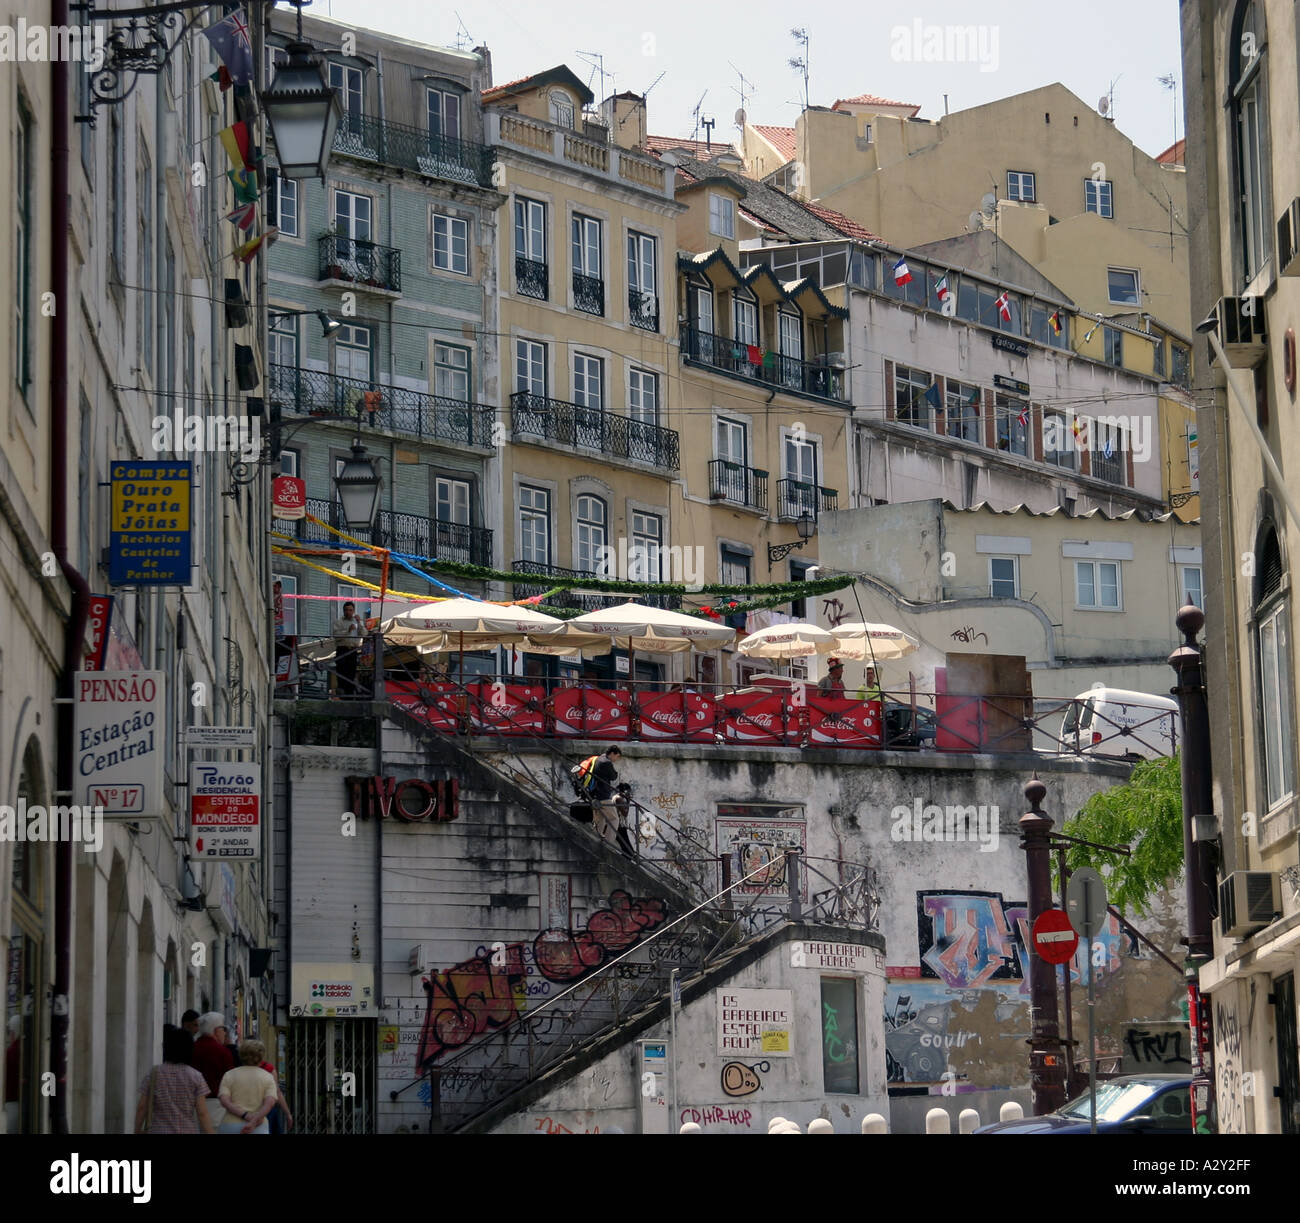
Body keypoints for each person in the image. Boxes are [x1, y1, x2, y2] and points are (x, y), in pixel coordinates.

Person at [134, 1024, 213, 1135]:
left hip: (158, 1130)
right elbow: (202, 1113)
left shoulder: (154, 1074)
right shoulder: (196, 1076)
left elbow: (142, 1107)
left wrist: (137, 1129)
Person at [216, 1039, 279, 1134]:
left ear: (241, 1054)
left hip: (230, 1124)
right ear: (261, 1056)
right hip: (258, 1126)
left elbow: (224, 1101)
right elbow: (269, 1103)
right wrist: (254, 1120)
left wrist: (245, 1115)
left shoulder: (229, 1075)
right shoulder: (268, 1077)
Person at [192, 1012, 237, 1130]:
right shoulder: (222, 1052)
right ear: (216, 1030)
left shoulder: (192, 1049)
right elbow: (230, 1082)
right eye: (223, 1029)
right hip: (216, 1108)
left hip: (191, 1107)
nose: (224, 1033)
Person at [589, 746, 622, 846]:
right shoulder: (606, 762)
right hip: (603, 796)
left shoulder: (598, 759)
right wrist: (614, 771)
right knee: (615, 819)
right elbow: (613, 776)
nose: (616, 759)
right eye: (617, 756)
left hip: (594, 795)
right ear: (612, 753)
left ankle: (595, 840)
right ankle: (608, 844)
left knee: (600, 819)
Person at [332, 601, 364, 699]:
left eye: (350, 610)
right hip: (342, 649)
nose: (348, 612)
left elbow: (364, 634)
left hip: (353, 650)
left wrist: (360, 623)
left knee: (351, 674)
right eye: (346, 610)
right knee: (342, 674)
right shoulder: (339, 622)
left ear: (353, 611)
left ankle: (349, 697)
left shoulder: (356, 621)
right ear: (343, 611)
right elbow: (336, 636)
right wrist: (348, 631)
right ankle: (342, 696)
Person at [259, 1057, 294, 1134]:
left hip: (245, 1112)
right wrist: (288, 1114)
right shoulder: (268, 1068)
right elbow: (277, 1093)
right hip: (267, 1110)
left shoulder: (238, 1069)